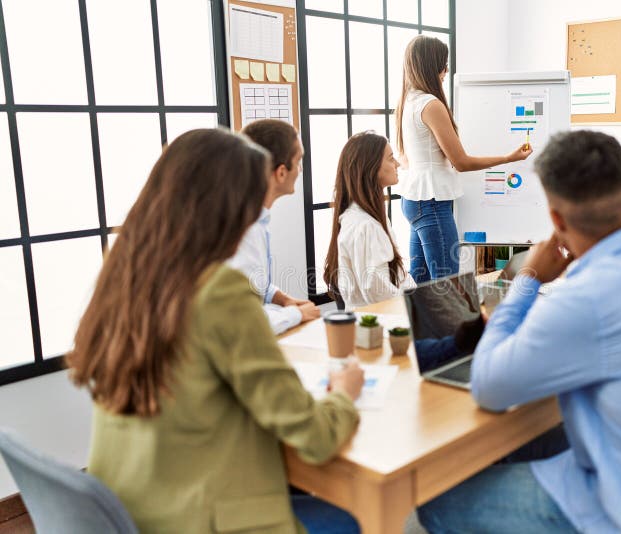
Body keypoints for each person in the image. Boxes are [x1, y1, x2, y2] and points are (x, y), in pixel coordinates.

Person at [416, 130, 621, 533]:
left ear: (555, 220)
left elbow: (488, 385)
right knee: (533, 441)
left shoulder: (587, 298)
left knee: (435, 500)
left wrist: (528, 277)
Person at [66, 128, 364, 534]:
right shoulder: (218, 291)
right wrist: (344, 394)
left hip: (133, 508)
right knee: (352, 515)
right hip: (200, 517)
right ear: (225, 207)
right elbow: (314, 436)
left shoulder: (126, 281)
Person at [396, 35, 531, 283]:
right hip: (432, 202)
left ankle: (425, 323)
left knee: (422, 279)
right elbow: (461, 162)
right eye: (443, 64)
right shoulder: (430, 104)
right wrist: (508, 158)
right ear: (433, 66)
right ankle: (451, 323)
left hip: (413, 199)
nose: (446, 71)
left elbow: (404, 158)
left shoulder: (408, 101)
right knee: (447, 281)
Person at [228, 119, 320, 334]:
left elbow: (251, 282)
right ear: (280, 172)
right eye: (299, 161)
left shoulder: (256, 219)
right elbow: (242, 320)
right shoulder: (243, 231)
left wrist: (280, 297)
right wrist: (296, 314)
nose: (300, 170)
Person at [323, 131, 415, 309]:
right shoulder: (365, 225)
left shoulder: (368, 218)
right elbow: (379, 294)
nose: (397, 164)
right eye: (390, 158)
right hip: (380, 323)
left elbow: (399, 276)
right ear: (370, 167)